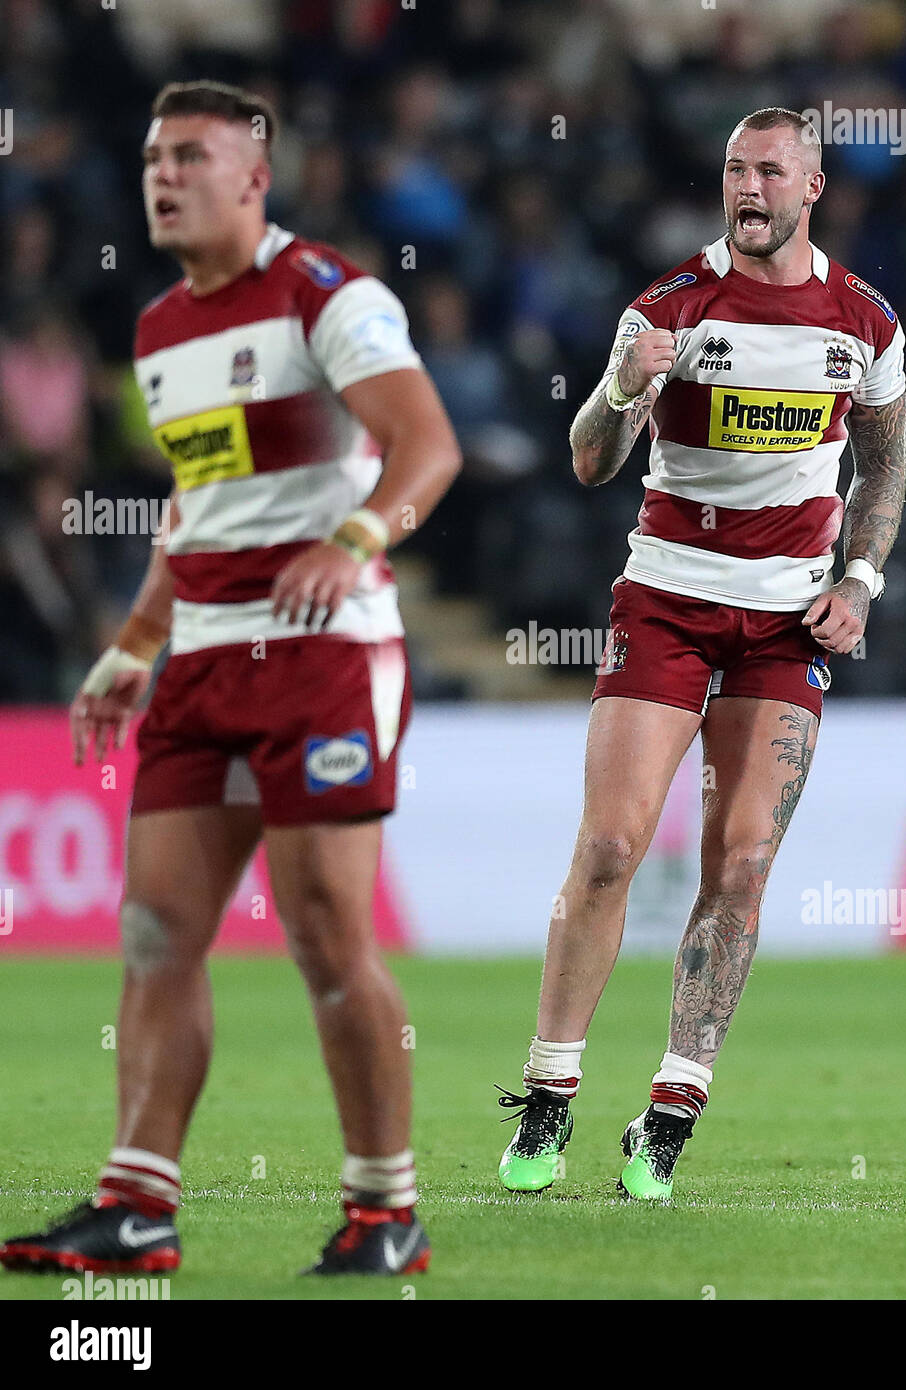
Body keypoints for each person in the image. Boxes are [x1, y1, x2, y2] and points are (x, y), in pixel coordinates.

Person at [0, 81, 460, 1277]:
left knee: (322, 937)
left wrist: (354, 540)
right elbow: (198, 507)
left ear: (254, 177)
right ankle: (137, 1204)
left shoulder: (327, 294)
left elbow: (428, 446)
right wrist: (135, 642)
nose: (164, 175)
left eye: (191, 156)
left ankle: (384, 1207)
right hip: (202, 659)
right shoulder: (157, 332)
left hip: (323, 653)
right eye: (154, 157)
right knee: (154, 932)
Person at [498, 108, 906, 1200]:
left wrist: (857, 583)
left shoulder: (861, 322)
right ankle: (548, 1095)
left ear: (812, 186)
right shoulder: (668, 307)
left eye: (770, 169)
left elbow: (882, 472)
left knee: (741, 861)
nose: (749, 186)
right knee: (612, 845)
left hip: (783, 626)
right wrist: (626, 385)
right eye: (734, 167)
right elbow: (589, 460)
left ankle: (670, 1110)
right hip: (669, 602)